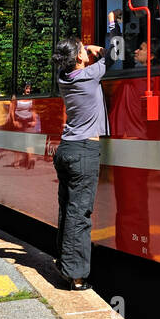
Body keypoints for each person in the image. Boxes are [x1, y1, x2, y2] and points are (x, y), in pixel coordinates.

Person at [53, 38, 107, 290]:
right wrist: (111, 24)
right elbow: (113, 54)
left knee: (67, 212)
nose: (89, 50)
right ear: (78, 59)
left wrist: (86, 52)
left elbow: (80, 62)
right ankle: (75, 277)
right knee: (80, 215)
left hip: (66, 149)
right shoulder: (88, 76)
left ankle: (64, 264)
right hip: (84, 150)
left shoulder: (64, 77)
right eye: (84, 49)